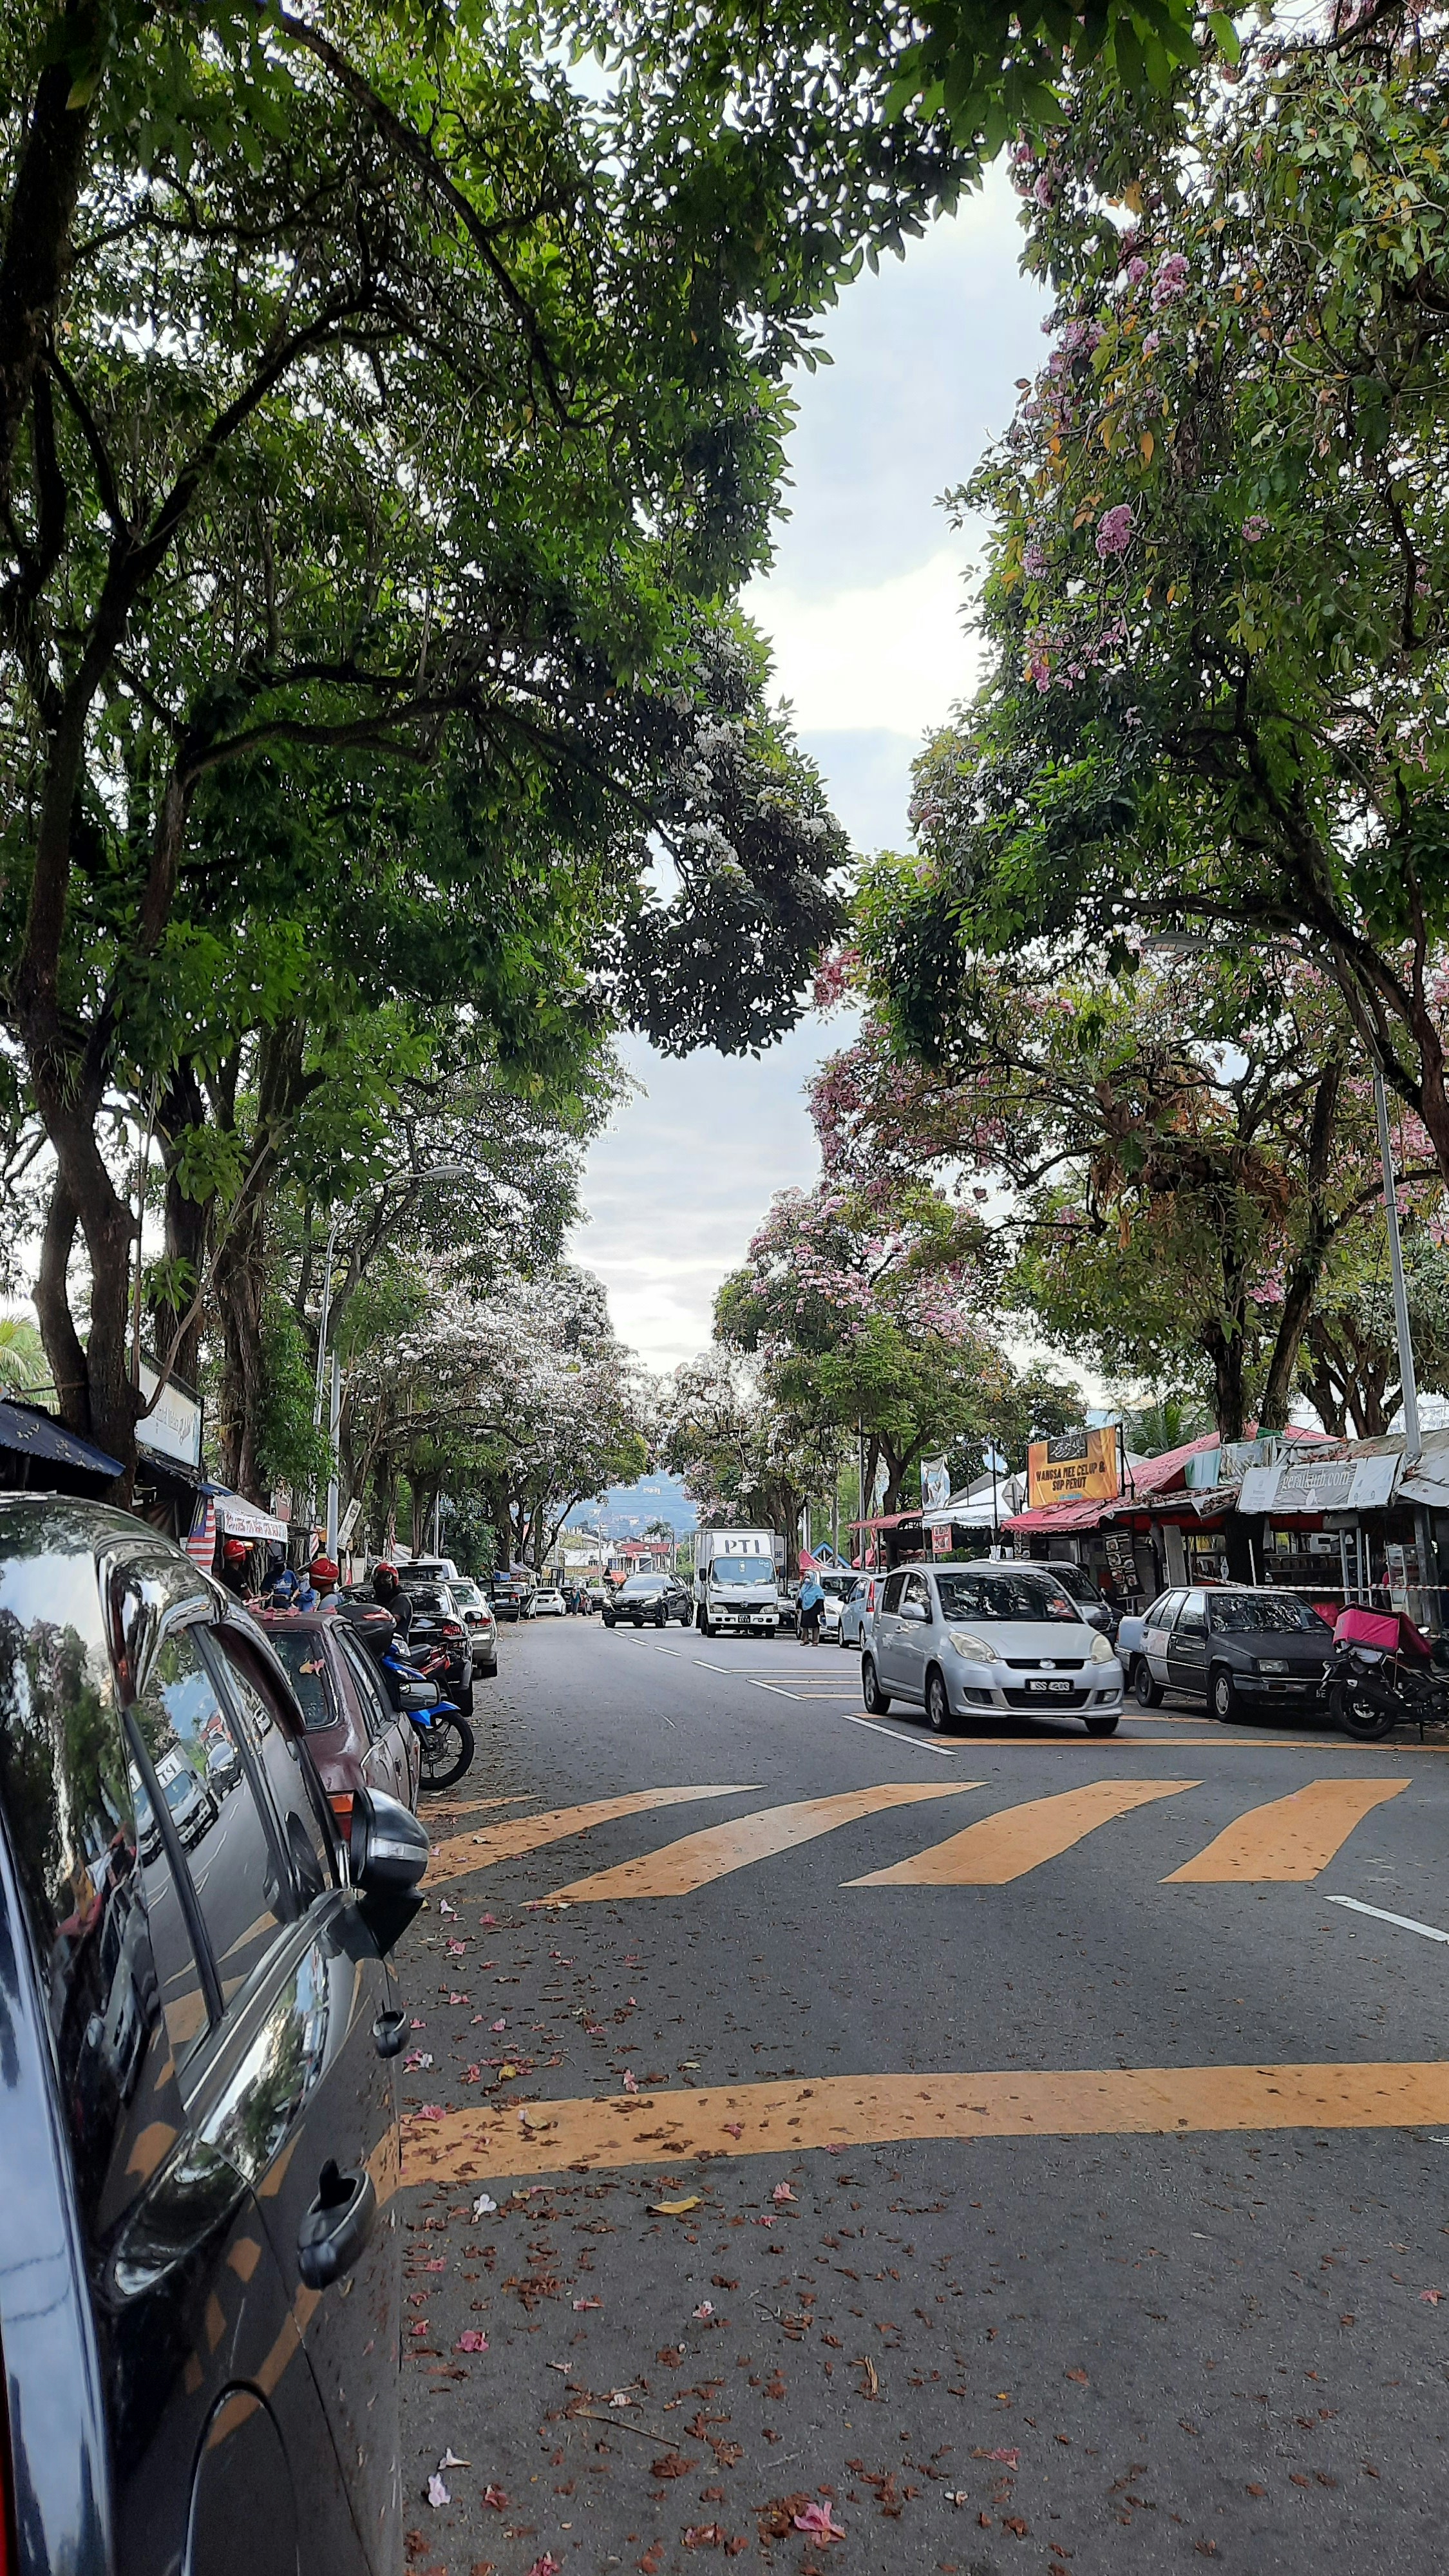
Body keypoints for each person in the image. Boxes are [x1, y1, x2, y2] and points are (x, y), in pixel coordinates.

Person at [372, 1560, 413, 1640]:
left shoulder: (401, 1599)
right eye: (379, 1579)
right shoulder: (377, 1600)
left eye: (385, 1579)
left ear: (394, 1581)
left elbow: (392, 1621)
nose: (382, 1583)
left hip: (396, 1644)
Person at [798, 1567, 825, 1646]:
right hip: (805, 1608)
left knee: (815, 1625)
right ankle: (805, 1640)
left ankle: (815, 1641)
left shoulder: (817, 1588)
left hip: (815, 1608)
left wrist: (822, 1610)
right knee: (804, 1625)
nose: (807, 1579)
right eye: (806, 1577)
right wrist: (798, 1607)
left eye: (808, 1577)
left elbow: (821, 1599)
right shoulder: (804, 1587)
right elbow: (800, 1597)